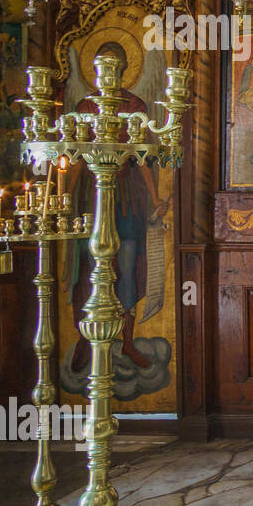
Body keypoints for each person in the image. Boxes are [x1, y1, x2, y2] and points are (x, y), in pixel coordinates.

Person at [67, 44, 168, 372]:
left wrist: (154, 201)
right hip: (89, 200)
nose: (108, 73)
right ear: (94, 70)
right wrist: (65, 200)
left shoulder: (134, 106)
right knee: (86, 268)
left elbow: (141, 159)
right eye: (102, 67)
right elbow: (76, 160)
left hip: (126, 200)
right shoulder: (85, 107)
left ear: (124, 70)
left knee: (125, 267)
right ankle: (85, 338)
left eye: (114, 67)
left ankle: (126, 342)